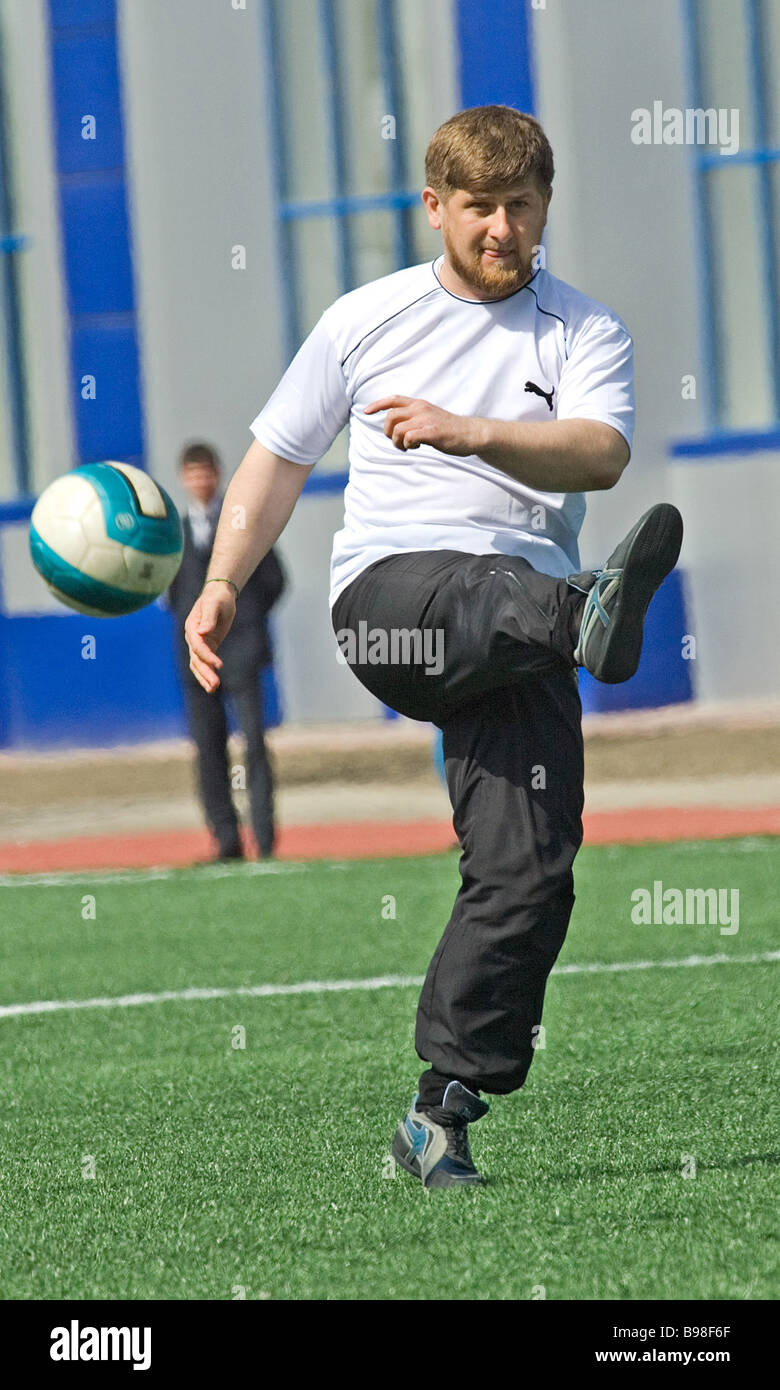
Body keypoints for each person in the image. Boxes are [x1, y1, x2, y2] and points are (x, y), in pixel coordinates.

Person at [183, 106, 682, 1185]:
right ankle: (584, 616)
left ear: (547, 204)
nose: (501, 229)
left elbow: (599, 454)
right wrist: (221, 582)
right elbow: (276, 457)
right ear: (434, 207)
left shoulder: (583, 330)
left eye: (521, 206)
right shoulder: (368, 319)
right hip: (394, 604)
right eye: (479, 208)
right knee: (505, 586)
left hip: (523, 635)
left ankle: (439, 1108)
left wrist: (472, 430)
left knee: (531, 873)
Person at [168, 441, 285, 860]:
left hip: (243, 651)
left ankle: (265, 839)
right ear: (184, 479)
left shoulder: (240, 523)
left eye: (206, 472)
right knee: (208, 745)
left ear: (217, 475)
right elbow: (171, 593)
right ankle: (226, 839)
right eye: (192, 473)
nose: (200, 480)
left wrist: (245, 621)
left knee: (254, 742)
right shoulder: (172, 535)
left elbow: (274, 580)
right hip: (196, 658)